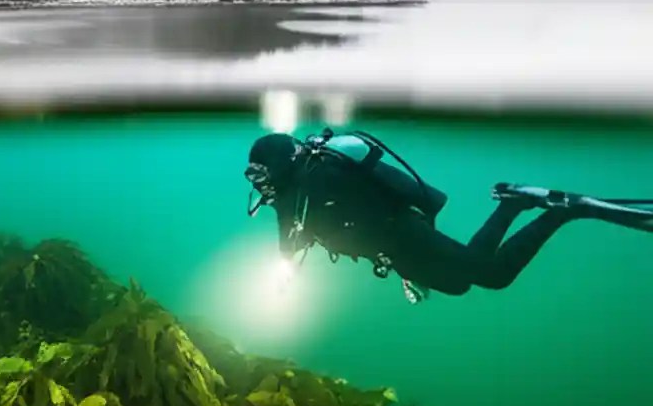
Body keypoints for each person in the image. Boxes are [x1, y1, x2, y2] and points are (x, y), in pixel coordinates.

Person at [244, 128, 653, 302]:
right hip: (392, 253)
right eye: (253, 175)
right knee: (460, 285)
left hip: (404, 234)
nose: (258, 182)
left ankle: (566, 212)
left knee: (491, 275)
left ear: (281, 163)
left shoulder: (319, 177)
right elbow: (290, 243)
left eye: (261, 171)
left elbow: (349, 220)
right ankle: (511, 204)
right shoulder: (288, 197)